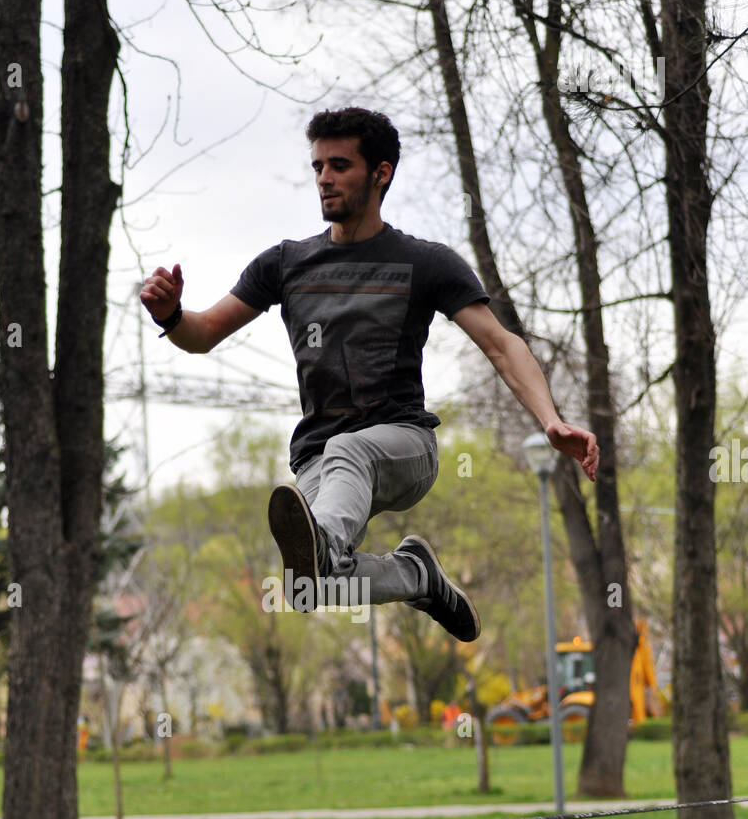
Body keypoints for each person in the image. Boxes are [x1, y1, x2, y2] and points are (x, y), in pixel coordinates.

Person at [140, 106, 598, 639]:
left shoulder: (424, 262)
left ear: (381, 173)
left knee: (348, 454)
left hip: (403, 445)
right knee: (312, 585)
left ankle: (328, 541)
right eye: (317, 167)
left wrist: (550, 420)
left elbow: (501, 345)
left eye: (340, 165)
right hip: (317, 460)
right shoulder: (285, 265)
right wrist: (171, 314)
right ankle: (416, 576)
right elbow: (203, 334)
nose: (325, 179)